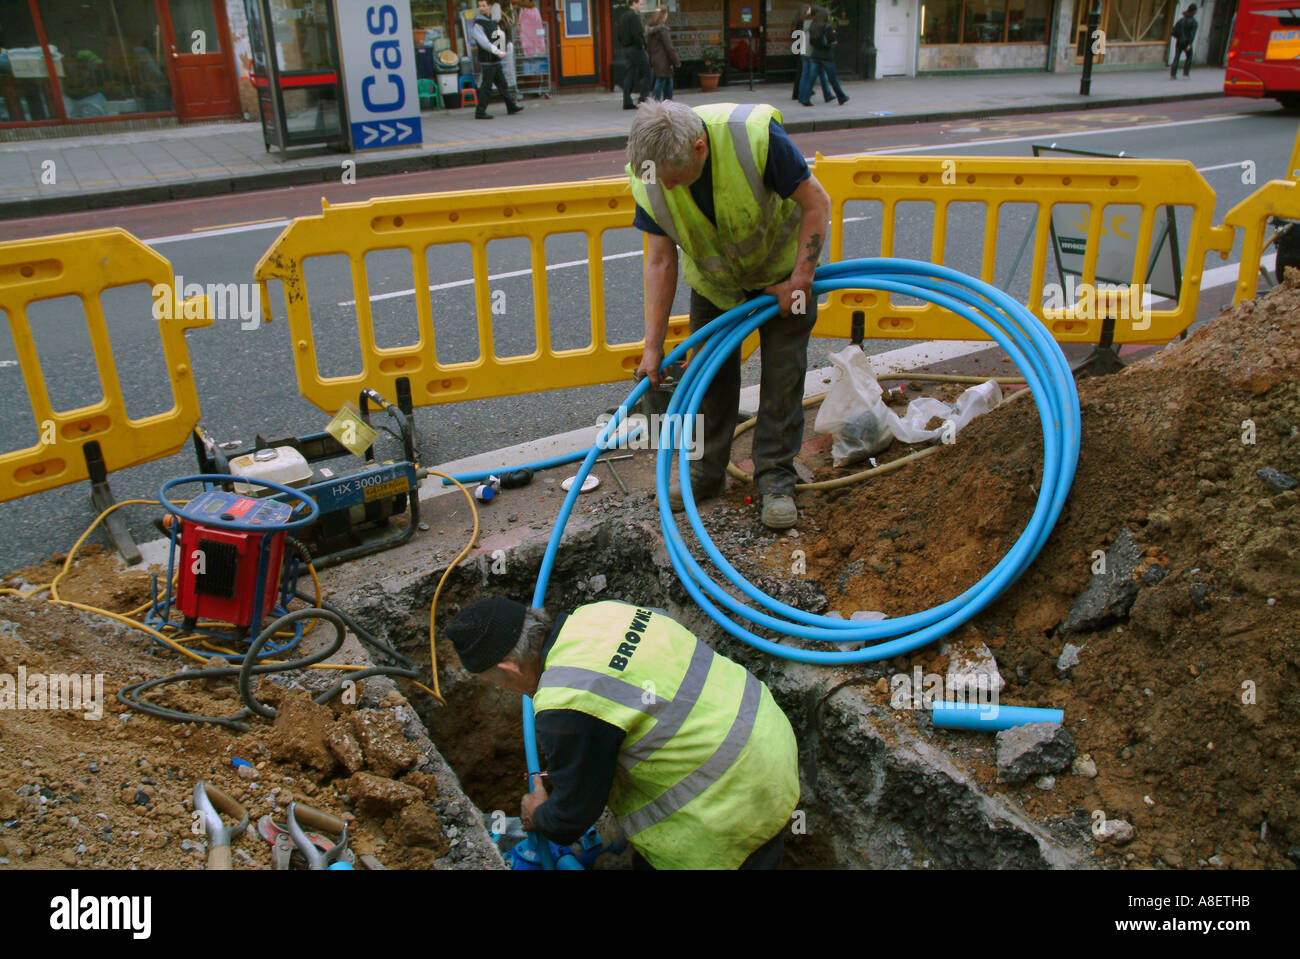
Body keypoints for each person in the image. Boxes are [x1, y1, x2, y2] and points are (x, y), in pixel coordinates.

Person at [446, 596, 801, 869]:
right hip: (769, 747)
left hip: (726, 805)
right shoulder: (599, 614)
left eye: (497, 682)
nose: (508, 691)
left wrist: (538, 815)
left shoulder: (565, 703)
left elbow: (571, 818)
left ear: (508, 667)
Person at [627, 100, 831, 530]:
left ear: (699, 148)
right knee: (709, 377)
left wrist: (800, 280)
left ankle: (775, 479)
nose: (666, 187)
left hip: (780, 274)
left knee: (783, 374)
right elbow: (661, 260)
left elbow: (816, 203)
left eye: (674, 179)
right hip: (717, 282)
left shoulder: (757, 138)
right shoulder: (650, 172)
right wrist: (651, 346)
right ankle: (705, 472)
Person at [470, 0, 523, 119]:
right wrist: (497, 51)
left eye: (484, 6)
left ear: (489, 6)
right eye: (479, 6)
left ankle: (511, 106)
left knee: (502, 84)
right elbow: (484, 43)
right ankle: (480, 112)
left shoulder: (493, 22)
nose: (481, 8)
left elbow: (499, 37)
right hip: (487, 61)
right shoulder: (478, 24)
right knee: (486, 86)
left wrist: (504, 48)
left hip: (495, 60)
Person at [806, 7, 848, 105]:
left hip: (815, 55)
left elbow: (811, 42)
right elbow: (832, 40)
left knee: (811, 78)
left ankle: (805, 98)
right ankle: (841, 97)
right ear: (825, 16)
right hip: (826, 56)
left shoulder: (813, 26)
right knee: (833, 78)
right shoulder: (827, 26)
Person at [791, 4, 830, 103]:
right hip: (811, 51)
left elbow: (796, 36)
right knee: (812, 74)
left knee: (804, 73)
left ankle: (801, 94)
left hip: (802, 49)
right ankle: (806, 96)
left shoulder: (801, 22)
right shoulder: (813, 24)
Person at [617, 0, 651, 110]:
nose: (641, 6)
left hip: (627, 48)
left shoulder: (623, 17)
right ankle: (643, 99)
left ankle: (627, 100)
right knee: (647, 73)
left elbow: (619, 33)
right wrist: (642, 44)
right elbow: (637, 33)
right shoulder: (634, 17)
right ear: (634, 3)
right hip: (636, 48)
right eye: (640, 4)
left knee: (629, 74)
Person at [646, 8, 680, 101]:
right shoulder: (663, 30)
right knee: (663, 81)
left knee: (664, 80)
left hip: (655, 59)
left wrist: (650, 60)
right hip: (664, 60)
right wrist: (676, 61)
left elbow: (648, 47)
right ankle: (660, 102)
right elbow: (669, 47)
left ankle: (661, 102)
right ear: (664, 15)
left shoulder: (651, 30)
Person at [1170, 5, 1198, 79]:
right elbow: (1192, 35)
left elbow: (1173, 31)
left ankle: (1173, 74)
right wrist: (1190, 44)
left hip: (1179, 41)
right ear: (1194, 11)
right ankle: (1186, 73)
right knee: (1189, 56)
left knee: (1177, 56)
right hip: (1187, 42)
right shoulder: (1194, 22)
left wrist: (1178, 37)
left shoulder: (1181, 20)